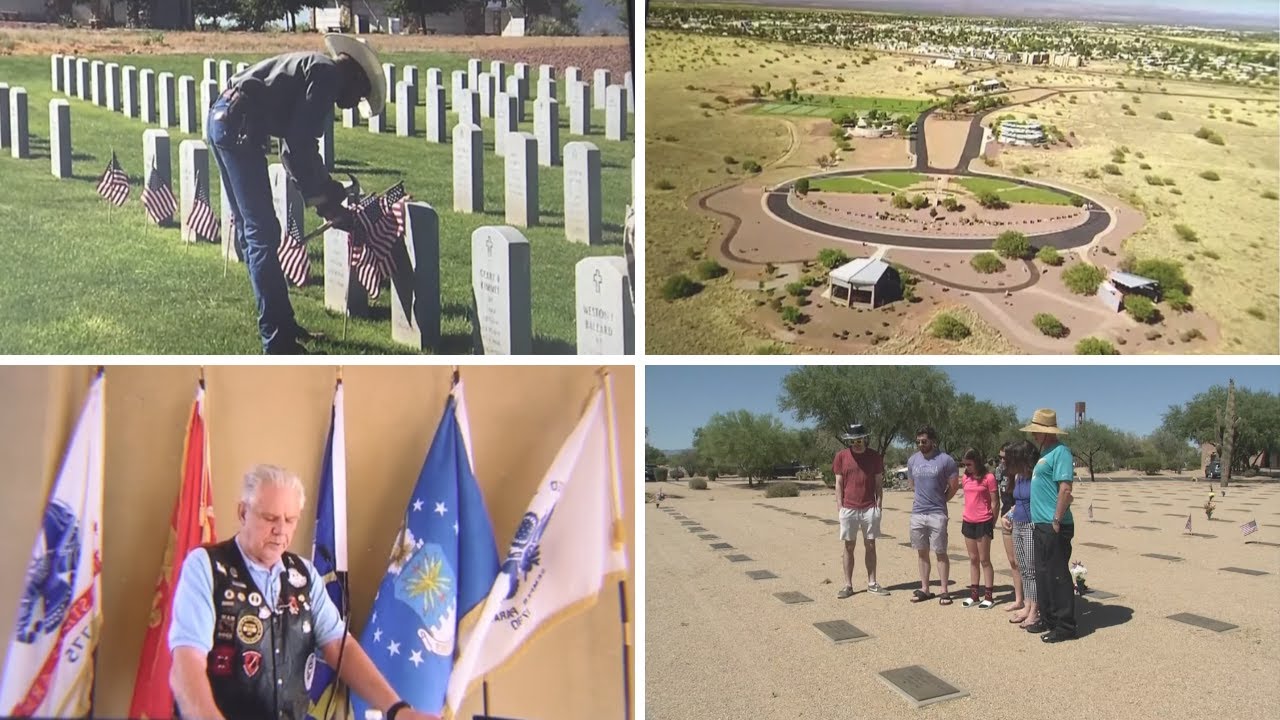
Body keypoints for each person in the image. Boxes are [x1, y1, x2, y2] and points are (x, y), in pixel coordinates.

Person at [169, 465, 437, 720]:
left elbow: (339, 646)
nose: (281, 530)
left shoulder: (304, 575)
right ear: (242, 512)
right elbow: (186, 665)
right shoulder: (206, 566)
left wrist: (398, 710)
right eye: (270, 518)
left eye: (290, 520)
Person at [208, 34, 384, 355]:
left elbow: (291, 151)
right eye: (361, 93)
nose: (354, 102)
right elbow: (300, 146)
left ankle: (281, 324)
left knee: (256, 236)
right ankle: (277, 343)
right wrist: (329, 203)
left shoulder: (317, 68)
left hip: (226, 119)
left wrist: (324, 196)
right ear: (354, 75)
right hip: (238, 126)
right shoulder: (327, 75)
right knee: (262, 234)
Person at [1022, 409, 1076, 643]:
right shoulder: (1045, 451)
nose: (1033, 434)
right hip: (1040, 523)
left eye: (1037, 430)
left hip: (1054, 524)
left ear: (1046, 432)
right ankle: (1049, 618)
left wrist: (1056, 519)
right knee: (1043, 574)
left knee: (1057, 575)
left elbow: (1065, 489)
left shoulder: (1061, 452)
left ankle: (1065, 626)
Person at [832, 423, 889, 598]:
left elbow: (879, 484)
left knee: (870, 544)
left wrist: (878, 505)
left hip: (869, 508)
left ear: (864, 438)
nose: (857, 443)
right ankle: (848, 585)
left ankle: (872, 583)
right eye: (853, 440)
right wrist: (840, 507)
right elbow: (839, 483)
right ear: (849, 440)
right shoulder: (841, 456)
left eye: (859, 439)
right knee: (849, 546)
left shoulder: (874, 456)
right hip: (848, 508)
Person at [906, 426, 959, 605]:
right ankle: (925, 588)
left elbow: (953, 486)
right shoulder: (913, 460)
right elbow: (912, 484)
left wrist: (942, 500)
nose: (921, 444)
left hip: (937, 513)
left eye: (924, 441)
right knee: (922, 552)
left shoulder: (946, 460)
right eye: (918, 441)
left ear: (933, 441)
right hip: (918, 513)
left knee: (940, 552)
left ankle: (944, 590)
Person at [1001, 439, 1040, 628]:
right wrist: (1008, 514)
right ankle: (1027, 605)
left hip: (1032, 525)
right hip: (1018, 524)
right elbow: (1019, 502)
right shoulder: (1018, 477)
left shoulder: (1036, 476)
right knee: (1023, 568)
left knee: (1032, 570)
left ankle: (1035, 609)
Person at [959, 449, 997, 608]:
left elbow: (995, 502)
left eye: (969, 464)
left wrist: (992, 523)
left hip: (984, 521)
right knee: (973, 559)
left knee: (984, 559)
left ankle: (988, 596)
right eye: (964, 464)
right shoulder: (965, 477)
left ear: (977, 462)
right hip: (968, 521)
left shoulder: (989, 478)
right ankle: (974, 595)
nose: (966, 467)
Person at [994, 443, 1024, 613]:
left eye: (1005, 456)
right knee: (1013, 562)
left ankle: (1030, 599)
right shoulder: (1000, 471)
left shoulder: (1020, 473)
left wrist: (1011, 515)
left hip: (1019, 518)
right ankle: (1018, 599)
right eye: (1000, 457)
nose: (1002, 460)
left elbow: (1023, 500)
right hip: (1005, 519)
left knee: (1023, 562)